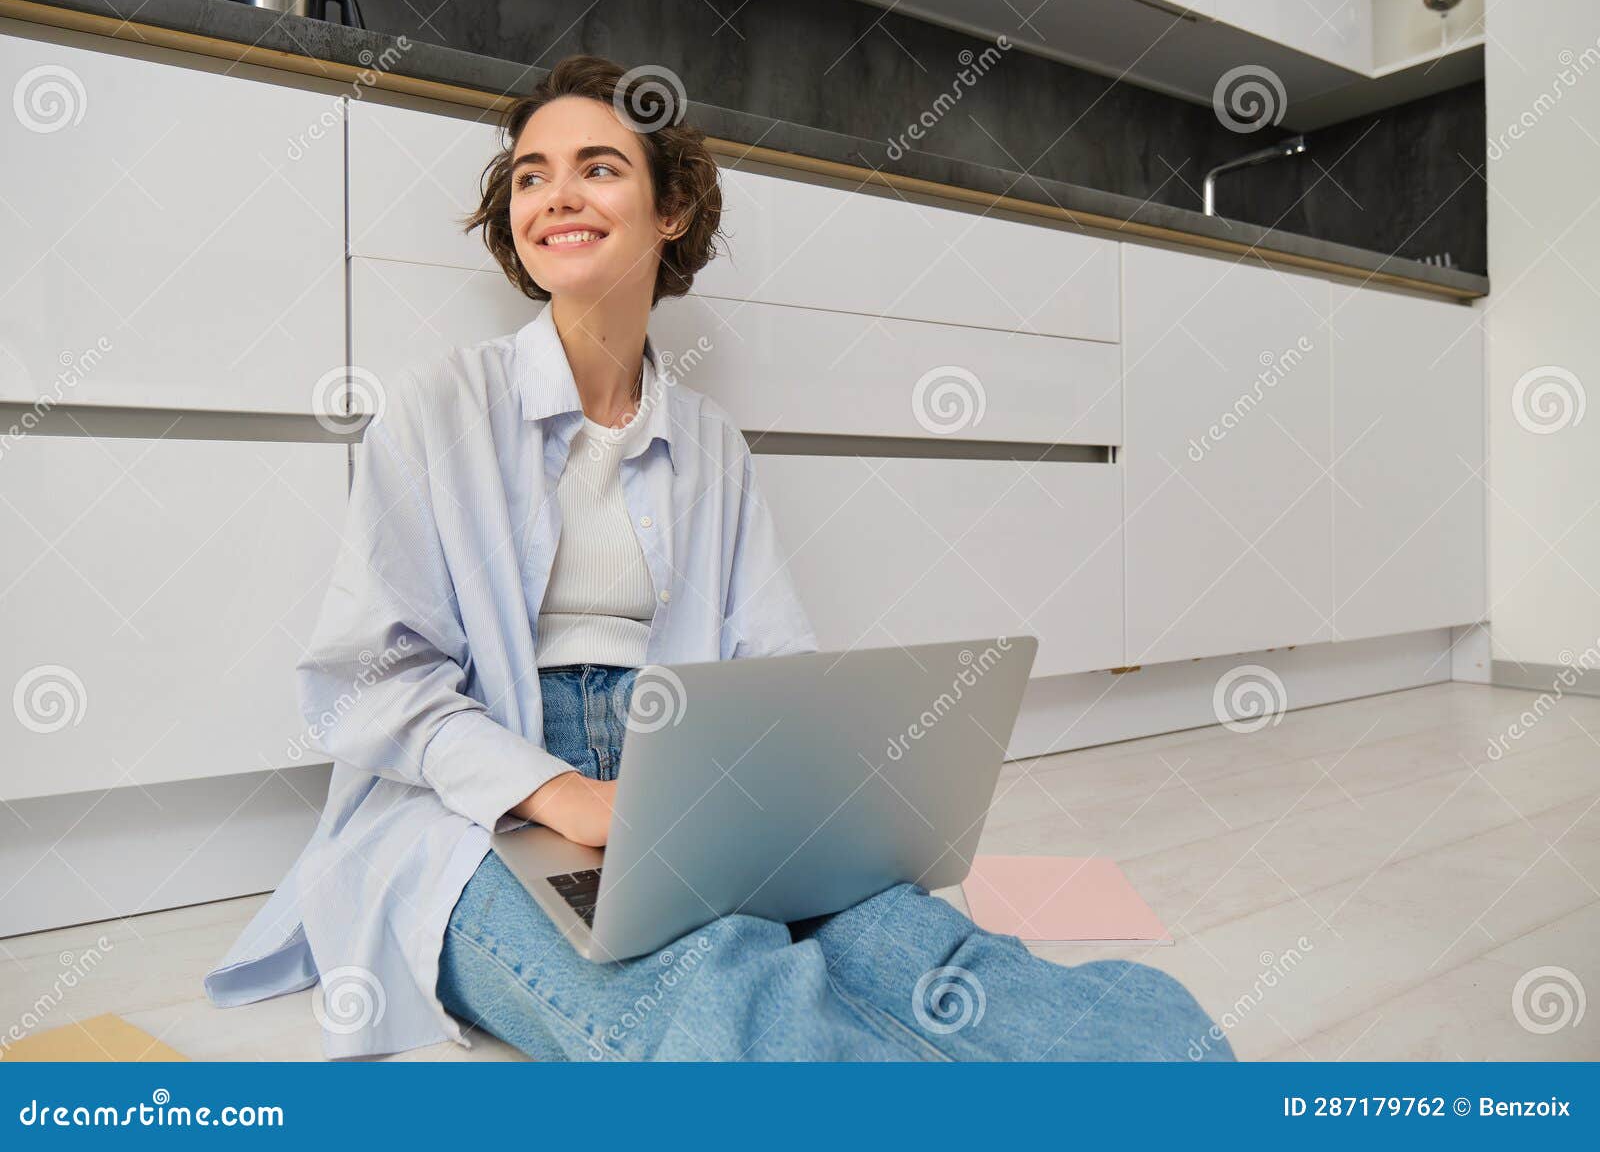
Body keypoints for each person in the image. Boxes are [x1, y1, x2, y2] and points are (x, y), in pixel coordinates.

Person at [204, 53, 1233, 1063]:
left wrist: (782, 804)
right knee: (712, 987)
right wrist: (558, 791)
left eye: (598, 167)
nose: (556, 195)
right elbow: (370, 680)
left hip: (689, 777)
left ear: (672, 210)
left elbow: (772, 660)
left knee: (903, 934)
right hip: (474, 806)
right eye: (530, 175)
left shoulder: (710, 444)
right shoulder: (437, 409)